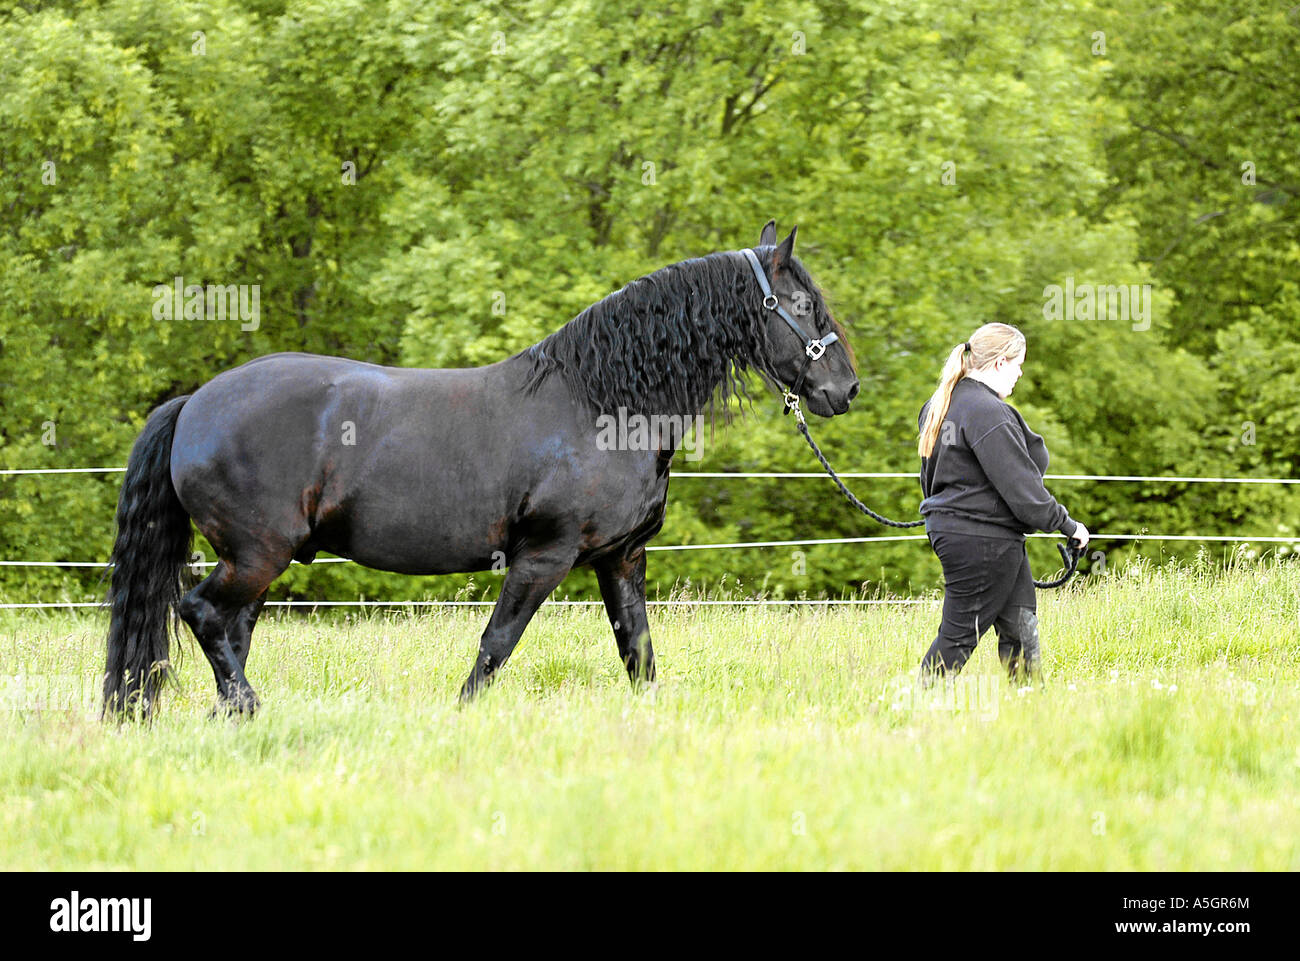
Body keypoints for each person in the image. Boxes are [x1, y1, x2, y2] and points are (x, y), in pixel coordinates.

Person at [916, 322, 1088, 684]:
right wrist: (1068, 525)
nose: (1020, 373)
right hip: (983, 541)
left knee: (1020, 629)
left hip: (975, 536)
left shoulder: (940, 403)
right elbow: (1022, 489)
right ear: (998, 364)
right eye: (1018, 364)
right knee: (959, 636)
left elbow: (928, 479)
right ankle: (913, 708)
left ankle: (1028, 708)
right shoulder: (988, 412)